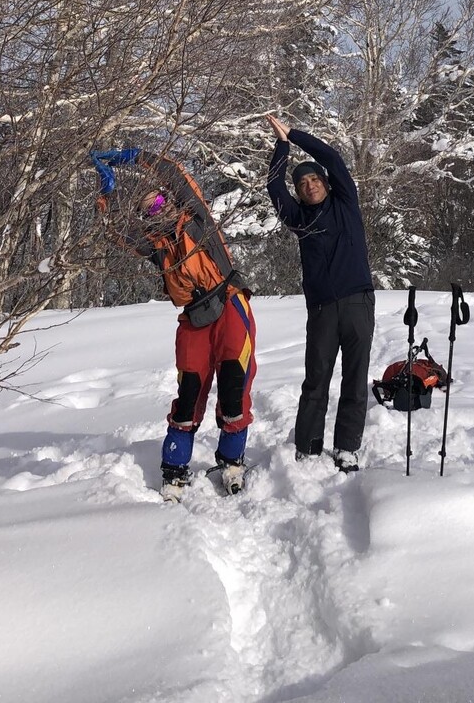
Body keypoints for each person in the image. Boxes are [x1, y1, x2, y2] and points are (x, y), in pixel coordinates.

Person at [93, 148, 257, 500]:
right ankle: (175, 468)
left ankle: (232, 459)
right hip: (194, 319)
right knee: (188, 396)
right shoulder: (154, 247)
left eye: (162, 200)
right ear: (147, 218)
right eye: (150, 208)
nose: (161, 207)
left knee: (233, 386)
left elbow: (176, 175)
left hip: (228, 302)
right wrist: (106, 193)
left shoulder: (197, 220)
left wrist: (138, 157)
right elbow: (114, 231)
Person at [265, 115, 374, 472]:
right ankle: (308, 447)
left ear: (325, 183)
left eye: (313, 179)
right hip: (324, 311)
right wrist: (281, 148)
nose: (308, 185)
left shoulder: (345, 203)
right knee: (316, 380)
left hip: (358, 303)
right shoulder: (299, 219)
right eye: (302, 183)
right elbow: (273, 187)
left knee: (355, 380)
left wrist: (293, 134)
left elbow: (333, 158)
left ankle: (347, 448)